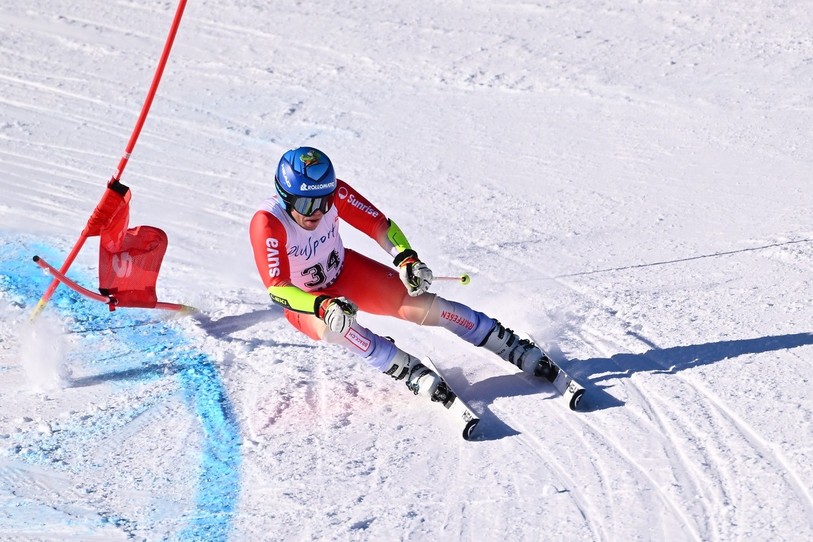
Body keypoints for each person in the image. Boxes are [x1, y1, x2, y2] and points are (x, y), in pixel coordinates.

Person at [249, 146, 555, 402]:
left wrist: (407, 258)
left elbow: (378, 224)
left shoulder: (336, 192)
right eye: (307, 204)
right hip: (307, 300)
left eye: (324, 201)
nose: (317, 211)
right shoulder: (268, 223)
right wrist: (322, 305)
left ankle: (508, 343)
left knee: (421, 306)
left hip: (346, 272)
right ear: (285, 197)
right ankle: (405, 369)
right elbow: (277, 288)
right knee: (335, 327)